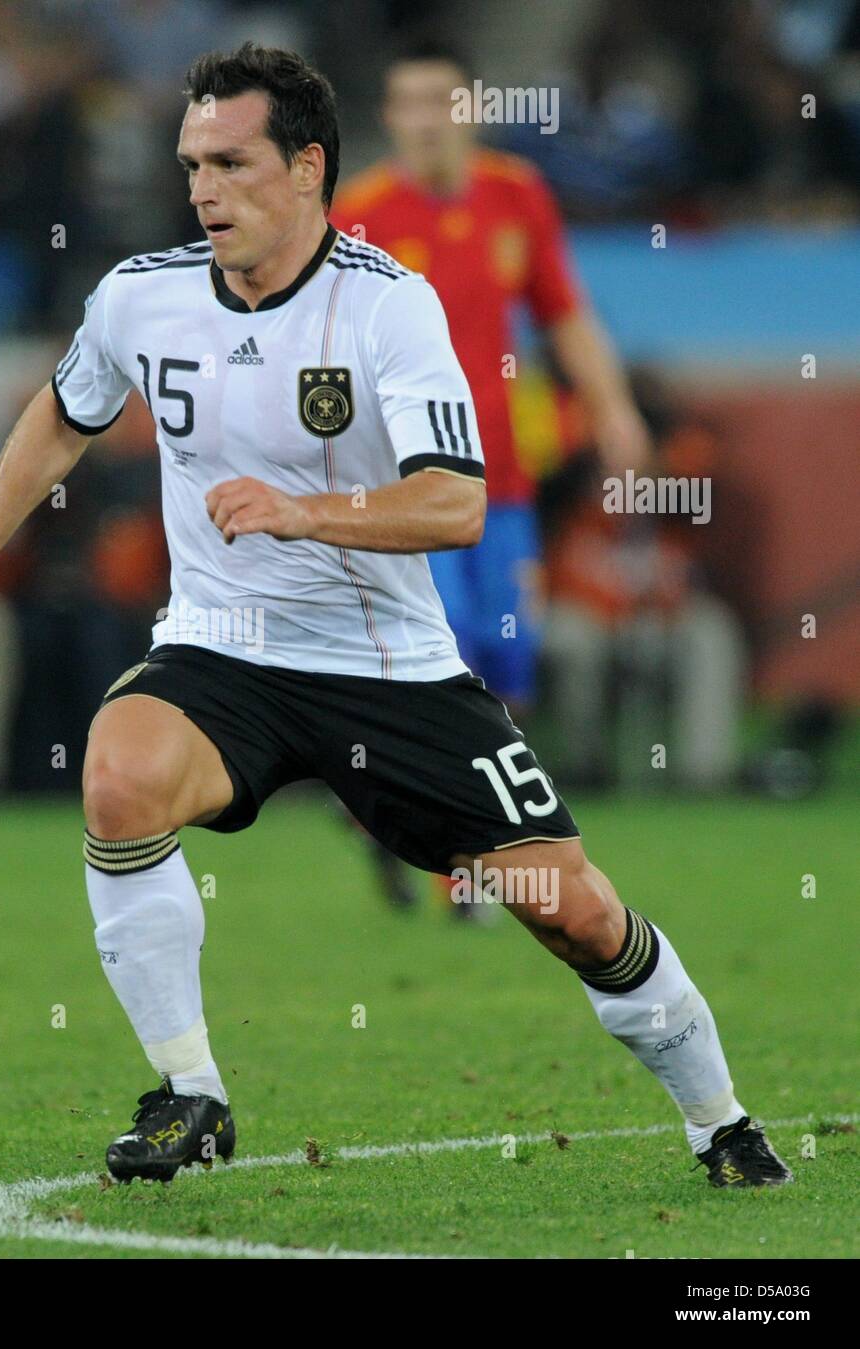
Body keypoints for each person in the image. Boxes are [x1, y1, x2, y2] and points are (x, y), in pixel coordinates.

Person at [0, 44, 791, 1191]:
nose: (202, 188)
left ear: (307, 167)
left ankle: (718, 1118)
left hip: (391, 670)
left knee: (570, 908)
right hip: (222, 650)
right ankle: (190, 1092)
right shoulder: (138, 295)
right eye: (190, 164)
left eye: (230, 162)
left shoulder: (388, 307)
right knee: (119, 775)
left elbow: (457, 500)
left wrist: (305, 512)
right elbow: (62, 415)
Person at [329, 39, 651, 911]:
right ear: (392, 119)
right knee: (454, 648)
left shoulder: (518, 195)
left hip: (504, 481)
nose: (427, 119)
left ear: (468, 110)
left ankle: (390, 813)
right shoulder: (359, 217)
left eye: (441, 100)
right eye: (409, 103)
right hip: (413, 484)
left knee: (513, 652)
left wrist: (613, 405)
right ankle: (464, 857)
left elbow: (563, 313)